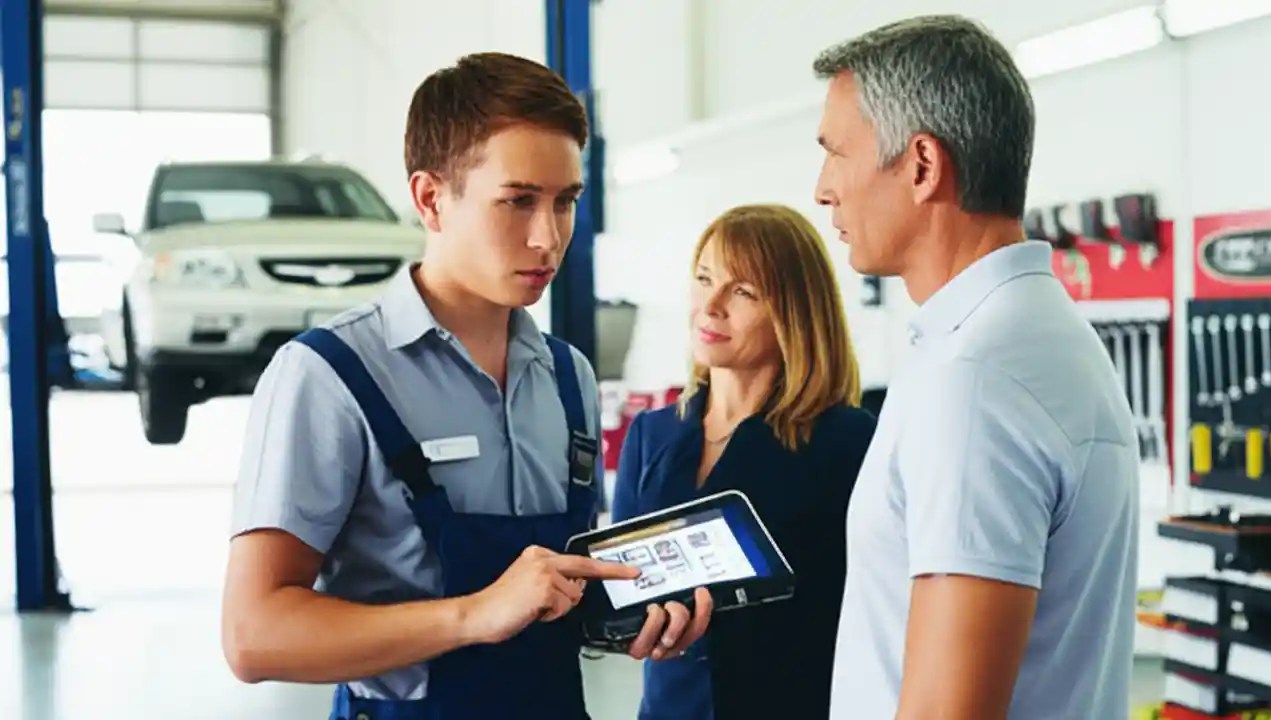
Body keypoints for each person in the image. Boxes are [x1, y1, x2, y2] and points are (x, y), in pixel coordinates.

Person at [220, 52, 711, 720]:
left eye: (565, 202)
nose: (549, 238)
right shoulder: (329, 375)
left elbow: (552, 591)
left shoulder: (569, 379)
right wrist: (473, 615)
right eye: (517, 202)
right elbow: (254, 637)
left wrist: (630, 614)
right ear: (430, 199)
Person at [812, 16, 1139, 720]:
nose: (822, 188)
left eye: (837, 154)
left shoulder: (975, 378)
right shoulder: (1033, 340)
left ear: (923, 166)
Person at [612, 204, 877, 720]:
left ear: (793, 313)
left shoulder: (846, 441)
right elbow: (621, 588)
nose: (710, 307)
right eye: (704, 278)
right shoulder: (654, 433)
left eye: (742, 292)